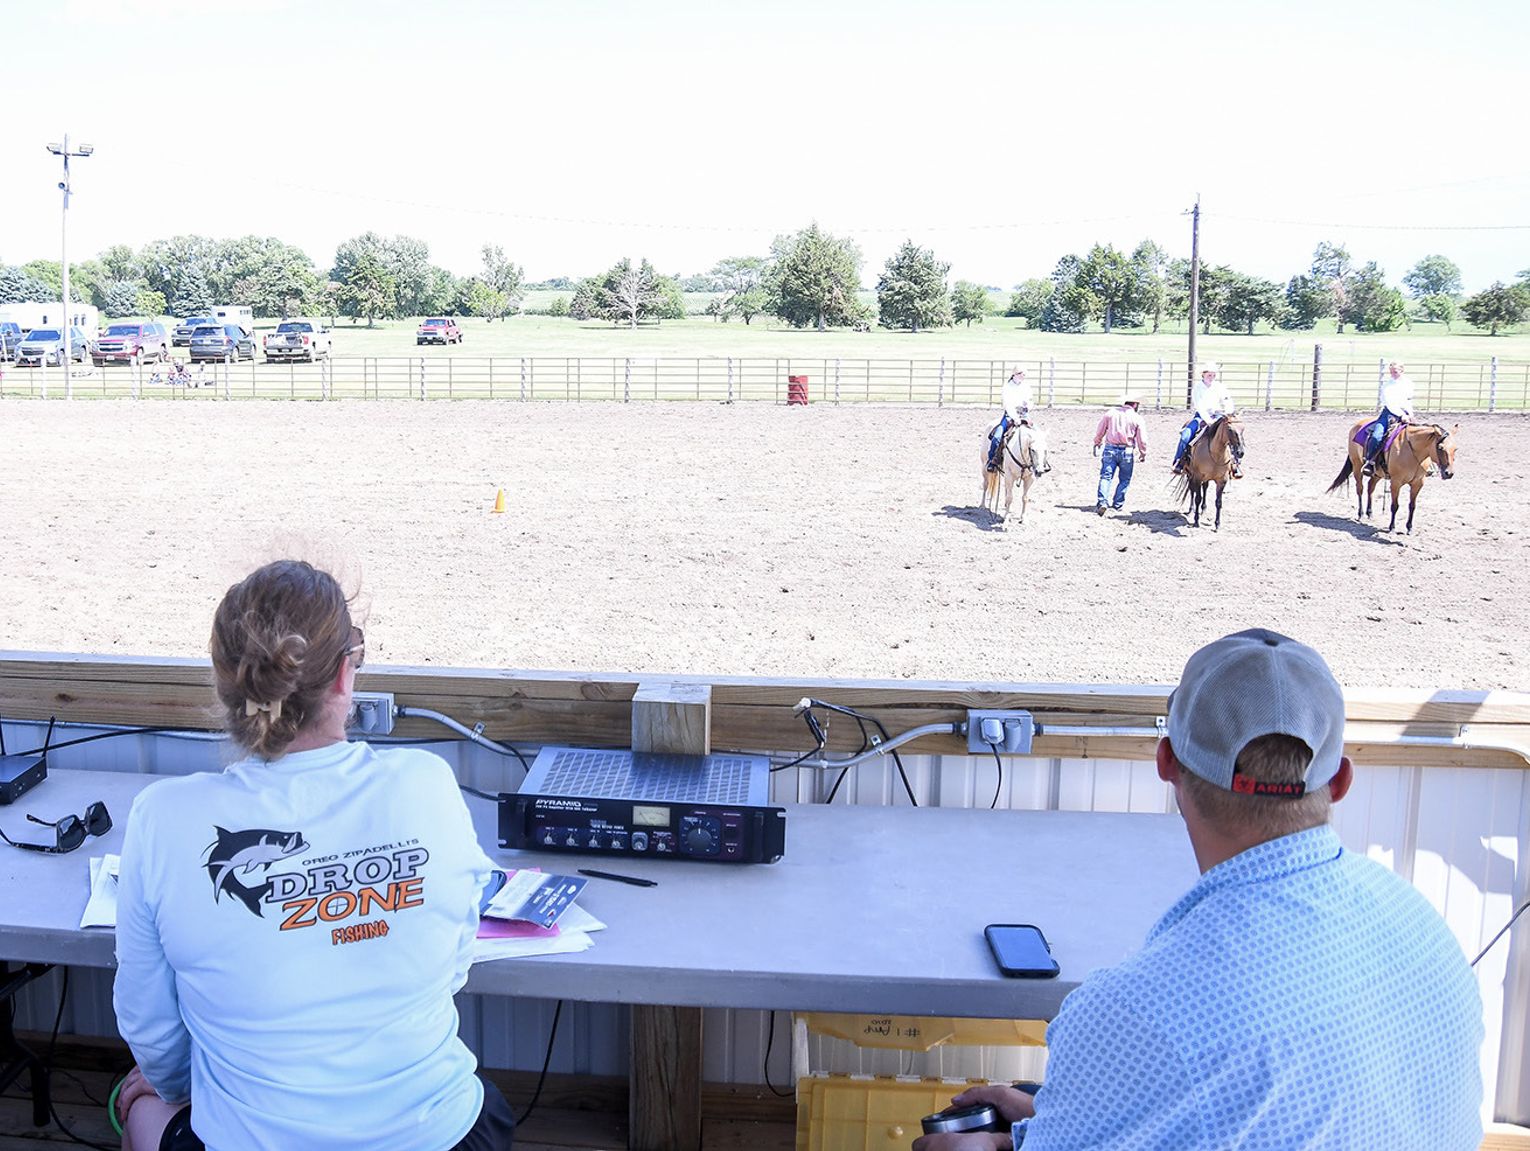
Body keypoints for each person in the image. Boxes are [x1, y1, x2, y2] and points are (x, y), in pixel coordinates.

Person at [912, 629, 1484, 1151]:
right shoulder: (1424, 925)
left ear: (1166, 762)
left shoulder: (1138, 1010)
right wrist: (1063, 1116)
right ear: (1340, 781)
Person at [113, 560, 515, 1151]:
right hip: (442, 1134)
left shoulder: (163, 817)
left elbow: (151, 1026)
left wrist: (171, 1083)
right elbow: (451, 967)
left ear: (227, 684)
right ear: (344, 678)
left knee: (144, 1111)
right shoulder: (427, 783)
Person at [1171, 363, 1239, 478]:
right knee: (1185, 435)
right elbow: (1199, 405)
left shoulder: (1220, 387)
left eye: (1213, 375)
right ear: (1203, 375)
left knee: (1232, 434)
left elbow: (1227, 400)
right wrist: (1208, 420)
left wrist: (1229, 412)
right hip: (1201, 416)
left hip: (1219, 416)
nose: (1211, 377)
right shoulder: (1197, 388)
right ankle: (1179, 461)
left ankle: (1234, 463)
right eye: (1209, 374)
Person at [1091, 393, 1147, 515]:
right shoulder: (1137, 418)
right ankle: (1117, 504)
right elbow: (1142, 439)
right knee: (1125, 479)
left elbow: (1100, 430)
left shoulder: (1110, 414)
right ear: (1135, 404)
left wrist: (1097, 442)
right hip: (1127, 450)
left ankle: (1102, 502)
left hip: (1110, 448)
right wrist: (1143, 452)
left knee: (1106, 476)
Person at [1364, 361, 1416, 476]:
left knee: (1420, 436)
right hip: (1389, 413)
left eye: (1395, 371)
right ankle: (1370, 461)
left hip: (1406, 413)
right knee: (1377, 435)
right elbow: (1389, 403)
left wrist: (1410, 414)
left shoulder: (1409, 383)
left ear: (1402, 371)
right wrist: (1401, 415)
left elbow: (1408, 400)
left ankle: (1423, 465)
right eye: (1391, 371)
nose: (1393, 374)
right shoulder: (1388, 385)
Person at [986, 369, 1034, 472]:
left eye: (1024, 374)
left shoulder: (1026, 386)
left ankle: (1038, 462)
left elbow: (1030, 400)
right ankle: (992, 461)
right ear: (1014, 374)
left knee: (1037, 436)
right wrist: (1015, 418)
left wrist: (1028, 406)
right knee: (997, 437)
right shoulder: (1007, 387)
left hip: (1024, 414)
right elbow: (1007, 405)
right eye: (1020, 374)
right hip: (1010, 415)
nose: (1023, 376)